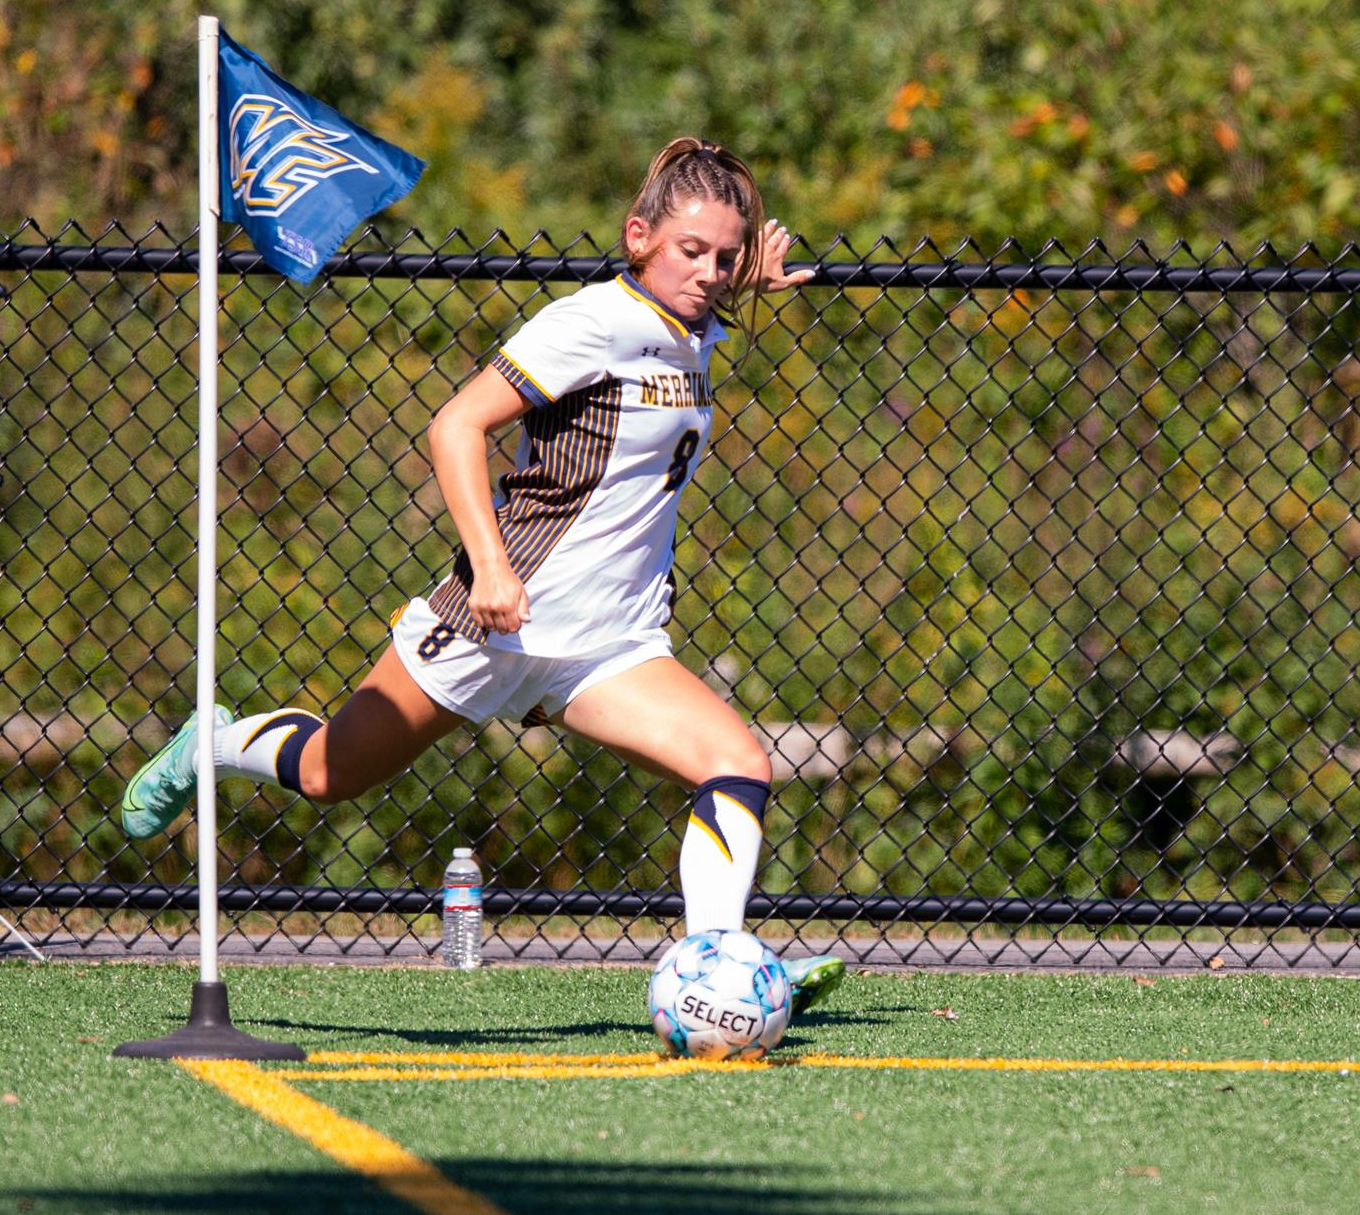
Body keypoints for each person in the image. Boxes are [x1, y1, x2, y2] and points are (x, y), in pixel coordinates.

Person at [121, 137, 843, 1012]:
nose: (711, 270)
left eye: (726, 257)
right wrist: (493, 572)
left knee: (737, 761)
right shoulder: (592, 322)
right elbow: (455, 427)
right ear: (638, 236)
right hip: (500, 622)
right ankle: (214, 742)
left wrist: (744, 283)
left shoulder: (693, 325)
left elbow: (697, 316)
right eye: (693, 250)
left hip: (606, 647)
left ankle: (720, 972)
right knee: (325, 774)